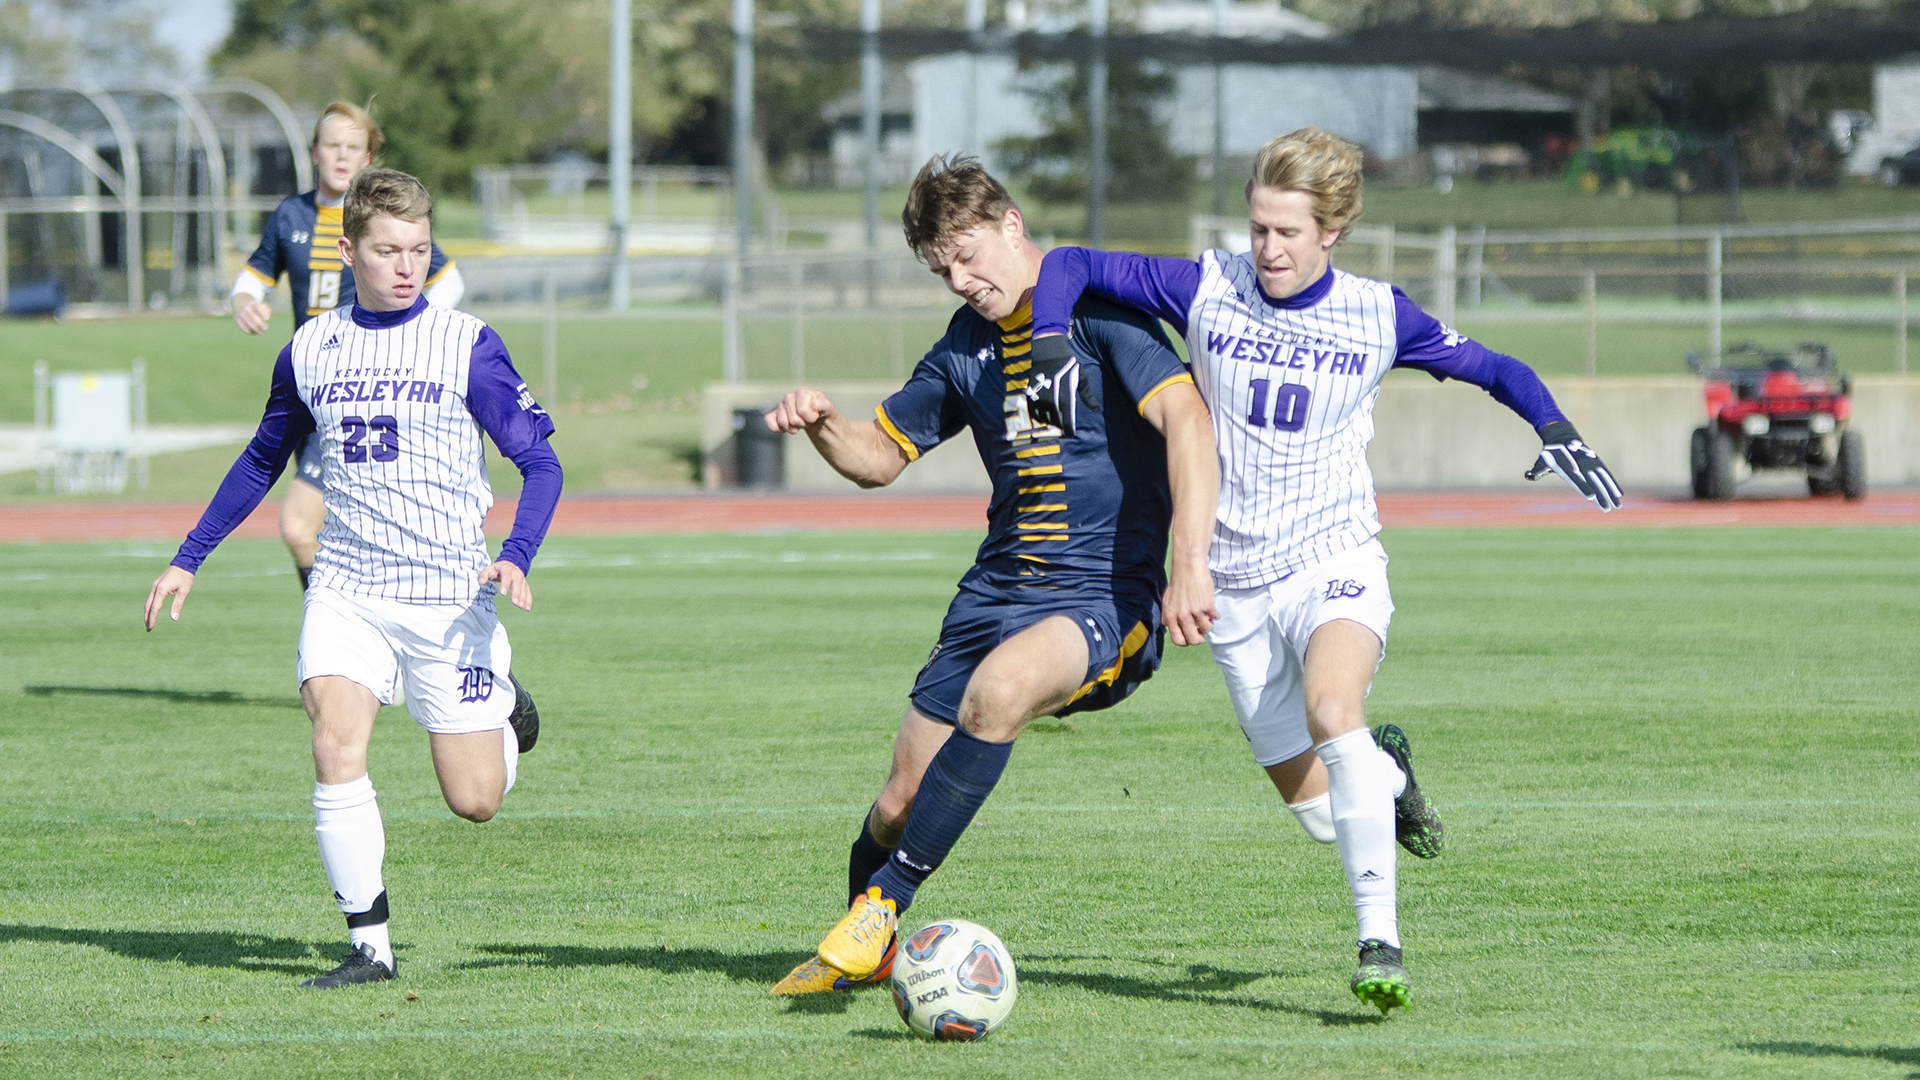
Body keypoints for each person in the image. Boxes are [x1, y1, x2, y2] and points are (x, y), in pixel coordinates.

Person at [1026, 127, 1621, 1015]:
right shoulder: (1208, 284)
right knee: (1320, 810)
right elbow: (1067, 260)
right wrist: (1047, 346)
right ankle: (1388, 774)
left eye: (1287, 232)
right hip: (1233, 583)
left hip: (1333, 556)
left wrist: (1555, 426)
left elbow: (1494, 367)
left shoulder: (1381, 316)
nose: (1266, 248)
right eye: (1259, 227)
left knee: (1332, 710)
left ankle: (1379, 939)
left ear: (1332, 231)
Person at [761, 156, 1220, 1004]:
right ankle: (862, 951)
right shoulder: (964, 347)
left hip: (1101, 595)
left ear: (1013, 224)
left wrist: (1188, 563)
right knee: (899, 800)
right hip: (994, 591)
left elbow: (1188, 420)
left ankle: (883, 908)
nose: (963, 280)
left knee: (998, 693)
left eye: (970, 255)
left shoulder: (1100, 317)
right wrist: (825, 425)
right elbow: (877, 458)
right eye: (942, 269)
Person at [149, 168, 559, 989]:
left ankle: (507, 713)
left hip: (448, 596)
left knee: (474, 801)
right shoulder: (309, 347)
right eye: (388, 250)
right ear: (350, 251)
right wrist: (188, 556)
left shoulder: (466, 344)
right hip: (347, 586)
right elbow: (264, 458)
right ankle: (369, 946)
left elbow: (539, 462)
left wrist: (515, 554)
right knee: (335, 742)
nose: (407, 265)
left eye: (419, 248)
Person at [230, 101, 466, 592]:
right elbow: (251, 280)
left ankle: (336, 632)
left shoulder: (379, 221)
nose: (341, 156)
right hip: (308, 389)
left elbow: (448, 282)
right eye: (332, 145)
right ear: (314, 152)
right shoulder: (291, 215)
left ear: (368, 158)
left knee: (298, 527)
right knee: (353, 535)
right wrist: (243, 300)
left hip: (356, 388)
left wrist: (408, 333)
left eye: (353, 147)